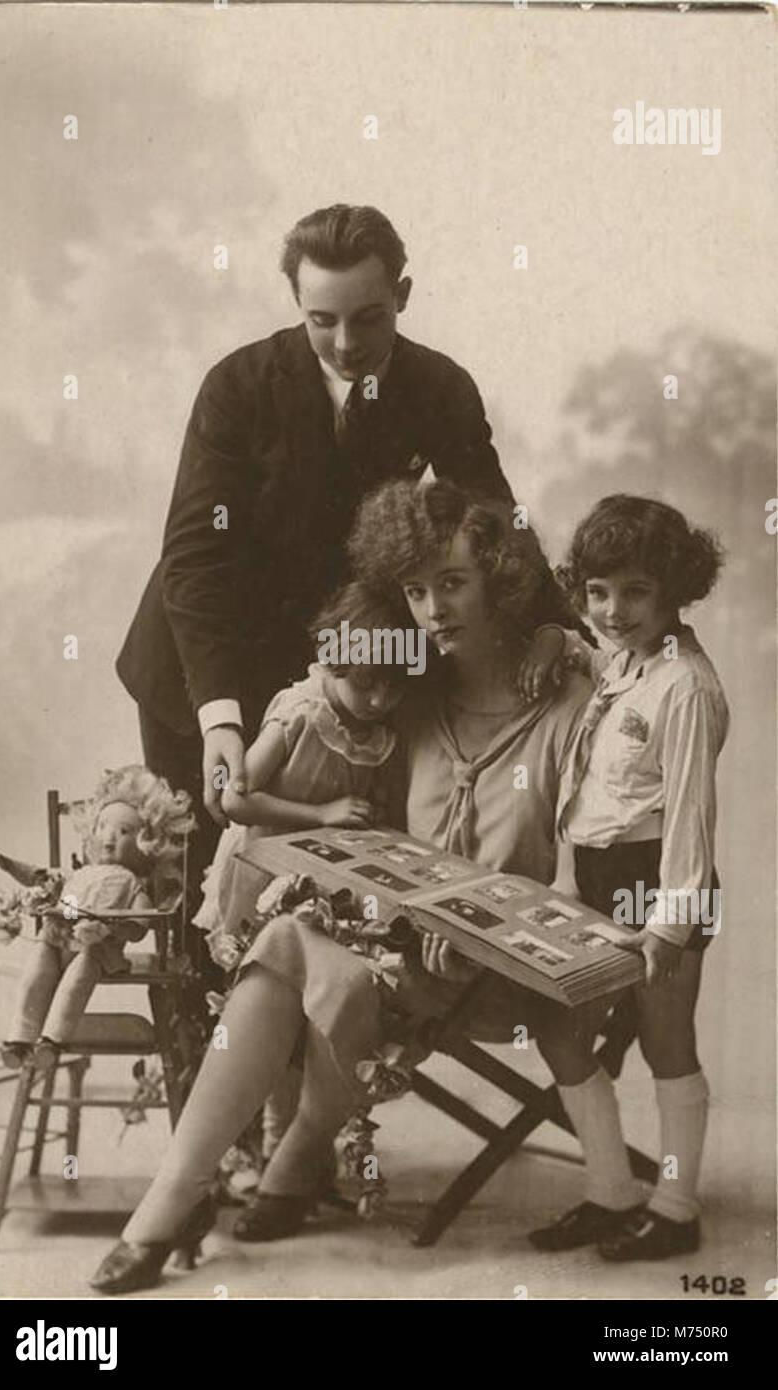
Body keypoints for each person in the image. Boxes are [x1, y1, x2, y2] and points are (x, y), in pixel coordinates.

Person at [90, 479, 590, 1294]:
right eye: (417, 590)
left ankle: (277, 1162)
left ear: (499, 577)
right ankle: (183, 1195)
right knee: (295, 943)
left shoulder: (566, 691)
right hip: (398, 952)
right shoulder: (415, 694)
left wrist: (561, 638)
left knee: (317, 963)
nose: (432, 610)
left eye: (453, 584)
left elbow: (598, 834)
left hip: (504, 967)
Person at [115, 204, 584, 906]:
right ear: (297, 304)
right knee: (201, 887)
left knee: (325, 889)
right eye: (321, 320)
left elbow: (493, 514)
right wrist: (220, 716)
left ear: (403, 294)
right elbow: (192, 555)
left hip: (336, 671)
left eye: (368, 318)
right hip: (201, 665)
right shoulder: (236, 387)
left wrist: (554, 623)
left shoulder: (440, 388)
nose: (344, 343)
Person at [528, 495, 728, 1261]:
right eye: (598, 591)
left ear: (674, 589)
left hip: (658, 878)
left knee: (664, 1039)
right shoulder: (628, 661)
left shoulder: (686, 686)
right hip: (600, 875)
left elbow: (689, 816)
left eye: (635, 592)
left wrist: (669, 922)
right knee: (560, 1025)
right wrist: (561, 640)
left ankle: (675, 1210)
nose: (612, 610)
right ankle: (610, 1192)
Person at [194, 580, 415, 1177]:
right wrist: (320, 815)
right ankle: (258, 1150)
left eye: (392, 685)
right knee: (261, 1010)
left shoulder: (380, 729)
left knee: (309, 1012)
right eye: (364, 682)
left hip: (319, 890)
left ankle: (295, 1154)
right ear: (335, 659)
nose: (375, 699)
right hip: (261, 877)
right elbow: (236, 800)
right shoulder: (303, 711)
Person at [0, 767, 194, 1072]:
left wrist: (109, 927)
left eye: (125, 831)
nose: (110, 837)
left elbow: (141, 926)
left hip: (98, 948)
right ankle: (20, 1038)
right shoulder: (78, 874)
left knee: (77, 979)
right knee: (36, 971)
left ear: (146, 843)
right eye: (102, 826)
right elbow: (38, 876)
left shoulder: (131, 883)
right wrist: (9, 866)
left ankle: (52, 1040)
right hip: (56, 937)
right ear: (91, 831)